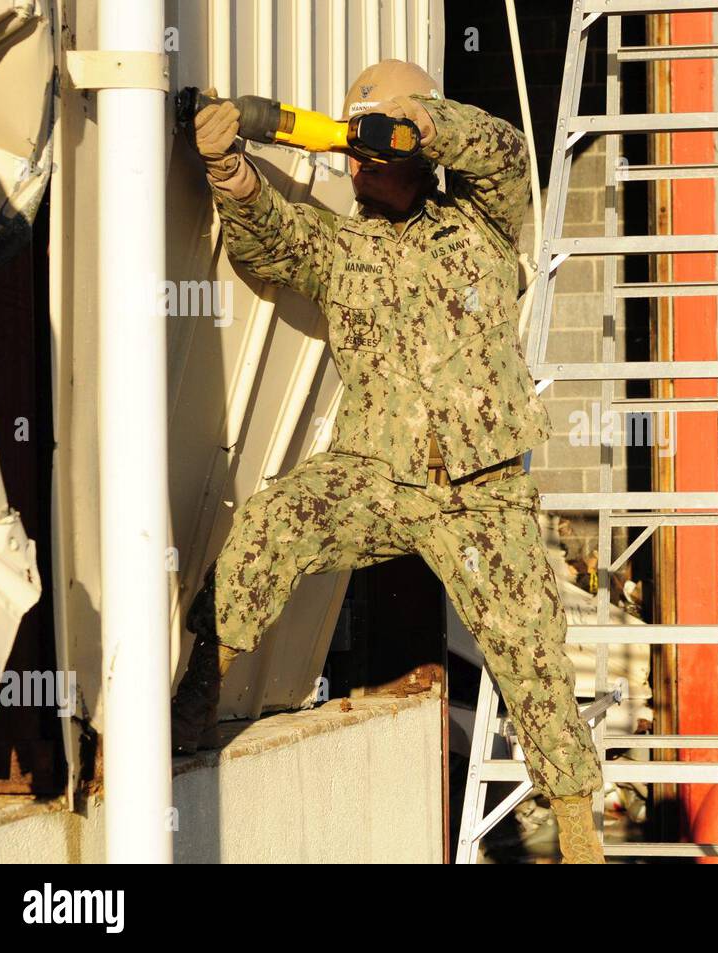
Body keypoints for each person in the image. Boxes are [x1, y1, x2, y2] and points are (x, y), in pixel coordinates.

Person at [171, 60, 605, 863]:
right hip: (375, 475)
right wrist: (230, 171)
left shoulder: (479, 223)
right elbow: (270, 246)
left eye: (374, 144)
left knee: (532, 646)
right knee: (276, 520)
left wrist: (425, 124)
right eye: (353, 143)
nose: (357, 161)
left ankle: (576, 824)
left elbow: (506, 152)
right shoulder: (344, 247)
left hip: (481, 488)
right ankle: (203, 683)